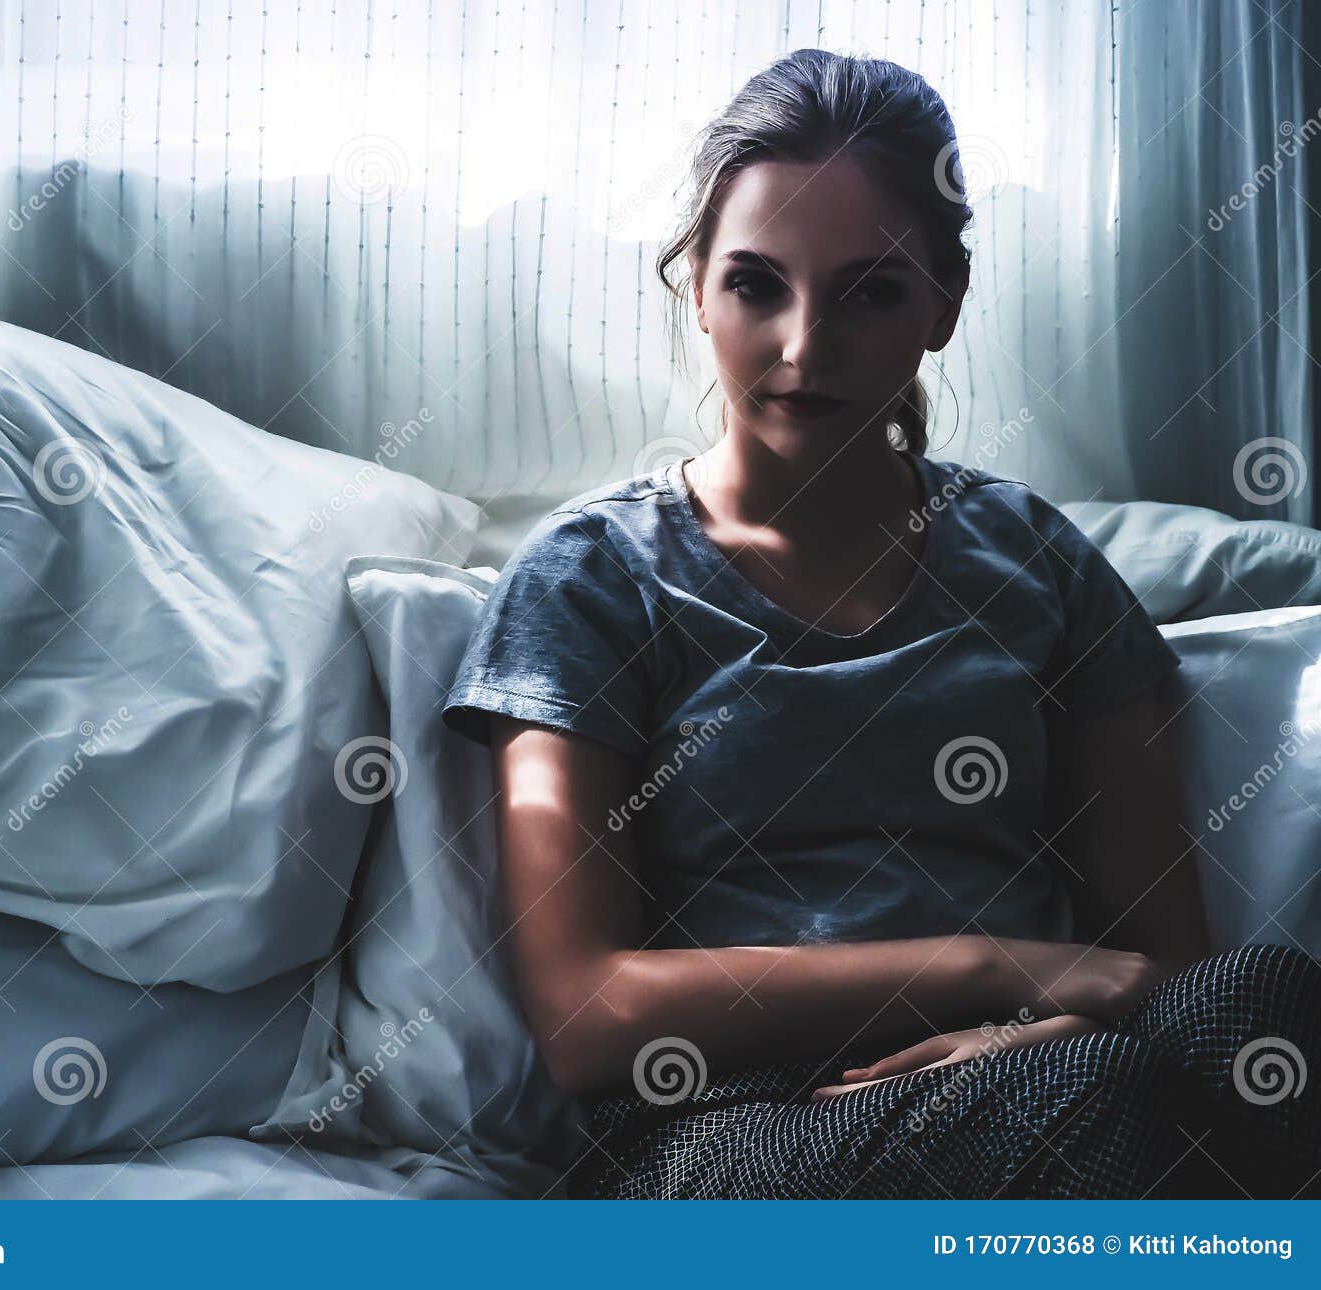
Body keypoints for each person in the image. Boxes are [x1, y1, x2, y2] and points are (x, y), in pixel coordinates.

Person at [438, 48, 1321, 1200]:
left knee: (1266, 1004)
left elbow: (1163, 965)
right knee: (1099, 1106)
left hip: (1045, 1070)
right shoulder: (591, 577)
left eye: (870, 291)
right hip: (732, 1125)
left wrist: (1040, 1030)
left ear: (942, 305)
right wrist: (986, 969)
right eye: (756, 284)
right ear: (696, 287)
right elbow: (582, 1014)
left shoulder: (1035, 562)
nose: (804, 347)